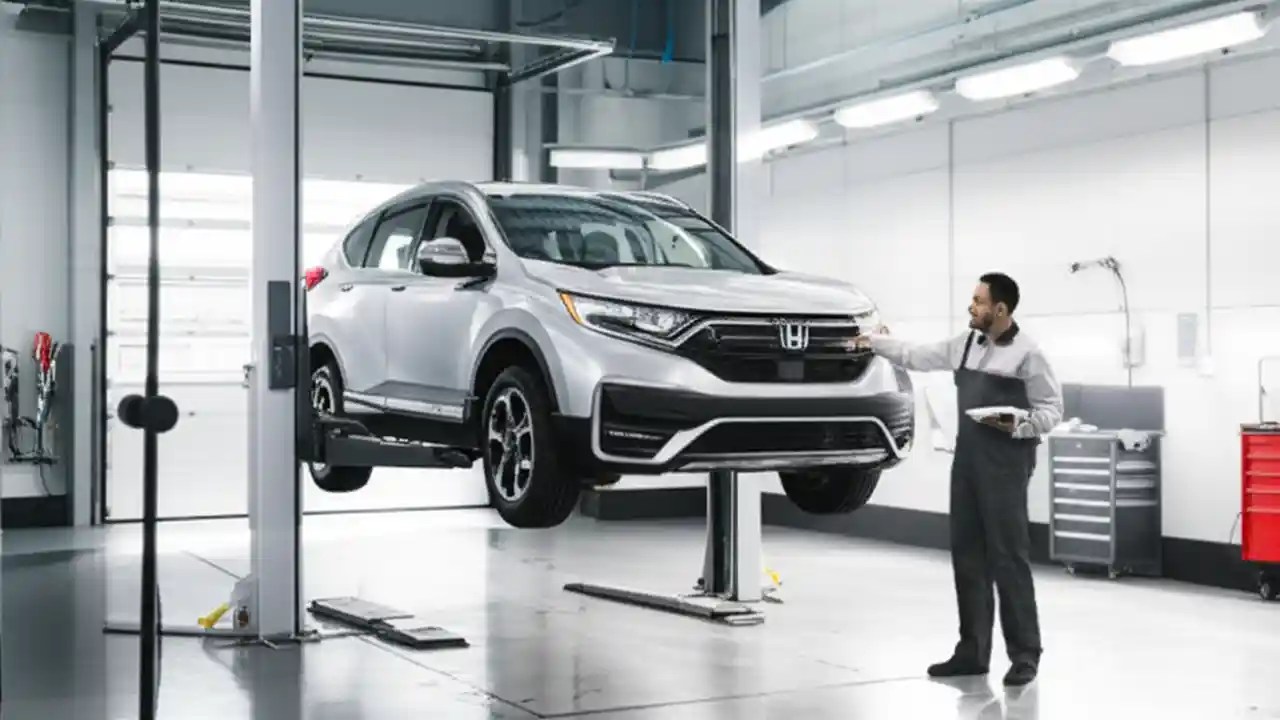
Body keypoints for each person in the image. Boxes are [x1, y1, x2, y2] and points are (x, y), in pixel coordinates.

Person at [857, 272, 1063, 687]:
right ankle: (972, 651)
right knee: (967, 554)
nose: (971, 307)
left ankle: (1025, 654)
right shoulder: (966, 343)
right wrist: (875, 342)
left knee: (1008, 556)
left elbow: (1052, 409)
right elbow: (918, 354)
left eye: (978, 301)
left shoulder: (1029, 354)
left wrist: (1020, 425)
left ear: (1000, 309)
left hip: (1007, 462)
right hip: (968, 459)